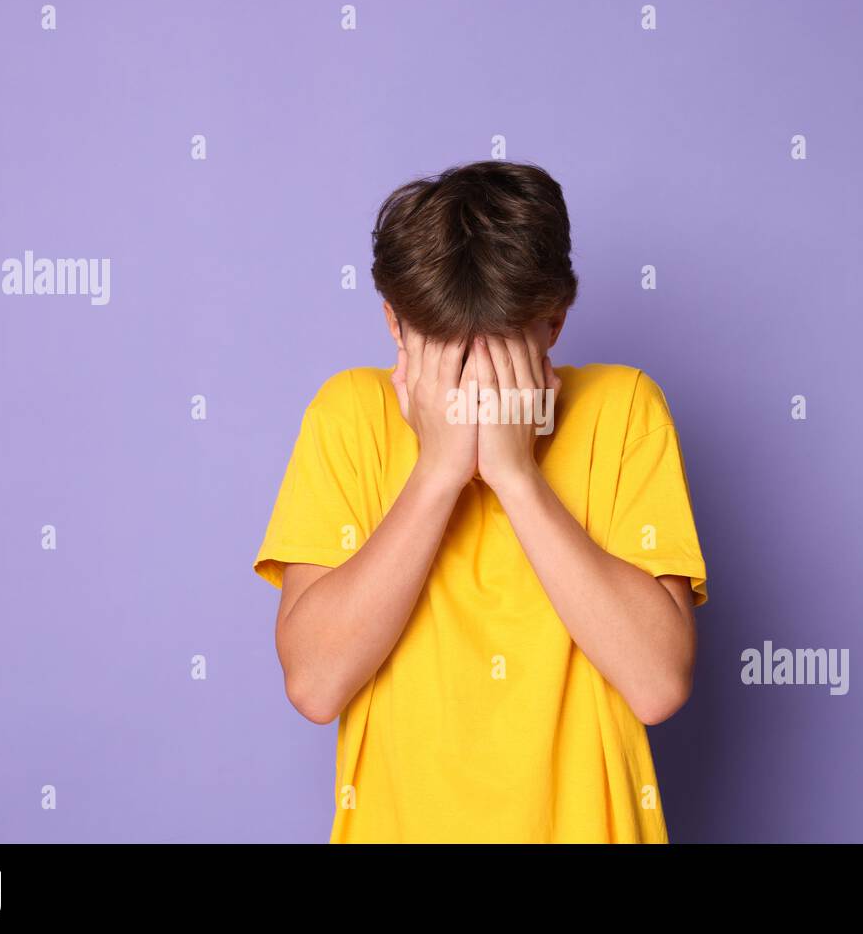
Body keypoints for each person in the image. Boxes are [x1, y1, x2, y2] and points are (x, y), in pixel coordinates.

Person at [253, 160, 707, 842]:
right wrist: (437, 470)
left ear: (552, 324)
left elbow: (657, 683)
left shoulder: (623, 410)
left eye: (495, 349)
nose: (470, 377)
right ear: (396, 327)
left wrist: (516, 474)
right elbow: (316, 685)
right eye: (443, 346)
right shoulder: (348, 415)